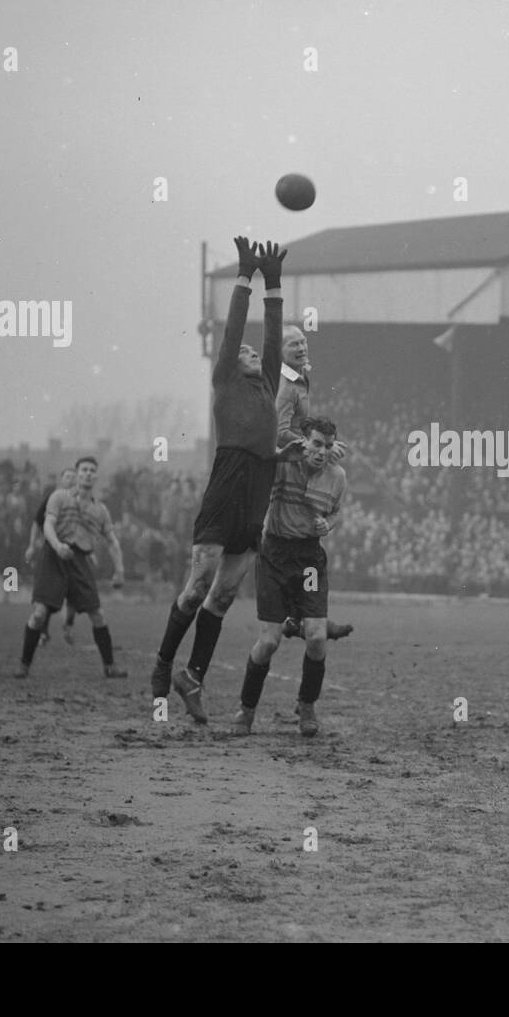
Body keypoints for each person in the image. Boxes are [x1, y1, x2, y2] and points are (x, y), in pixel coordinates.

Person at [149, 237, 289, 724]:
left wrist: (275, 283)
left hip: (258, 490)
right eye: (243, 352)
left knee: (225, 594)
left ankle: (192, 676)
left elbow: (272, 337)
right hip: (229, 481)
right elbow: (235, 334)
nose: (251, 352)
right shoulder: (226, 378)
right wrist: (245, 278)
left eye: (254, 353)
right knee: (197, 585)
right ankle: (164, 663)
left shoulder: (268, 382)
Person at [234, 416, 345, 737]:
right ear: (303, 442)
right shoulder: (282, 465)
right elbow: (254, 461)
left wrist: (330, 524)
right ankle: (246, 710)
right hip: (275, 557)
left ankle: (307, 707)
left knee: (317, 636)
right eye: (316, 443)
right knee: (269, 641)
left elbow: (336, 510)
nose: (322, 451)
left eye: (327, 445)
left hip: (309, 560)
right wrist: (280, 453)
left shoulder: (337, 476)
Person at [276, 323, 354, 643]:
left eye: (304, 341)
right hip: (291, 460)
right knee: (295, 536)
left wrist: (321, 447)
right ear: (280, 351)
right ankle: (306, 616)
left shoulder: (301, 378)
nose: (301, 347)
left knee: (310, 535)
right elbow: (280, 431)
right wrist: (316, 448)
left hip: (301, 455)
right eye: (293, 343)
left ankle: (309, 616)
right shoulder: (286, 385)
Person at [17, 456, 127, 679]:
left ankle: (110, 666)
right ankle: (24, 665)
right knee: (39, 615)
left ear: (96, 476)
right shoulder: (59, 497)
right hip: (54, 557)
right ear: (76, 474)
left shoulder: (101, 510)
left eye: (91, 471)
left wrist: (120, 570)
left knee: (98, 615)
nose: (87, 474)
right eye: (83, 470)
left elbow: (112, 542)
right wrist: (57, 546)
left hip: (79, 561)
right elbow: (47, 525)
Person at [25, 466, 76, 645]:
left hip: (73, 553)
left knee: (73, 594)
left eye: (73, 477)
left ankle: (68, 626)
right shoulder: (52, 498)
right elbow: (37, 522)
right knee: (47, 595)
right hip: (53, 553)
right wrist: (32, 546)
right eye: (67, 476)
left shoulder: (80, 501)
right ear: (62, 480)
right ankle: (44, 633)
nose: (70, 480)